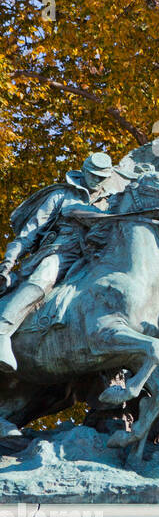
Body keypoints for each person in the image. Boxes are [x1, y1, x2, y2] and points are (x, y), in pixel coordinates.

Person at [0, 152, 124, 372]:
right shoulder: (61, 196)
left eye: (102, 177)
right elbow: (29, 234)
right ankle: (2, 331)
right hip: (60, 251)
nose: (97, 180)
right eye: (93, 175)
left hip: (96, 257)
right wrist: (9, 261)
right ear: (83, 172)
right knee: (45, 275)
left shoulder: (112, 202)